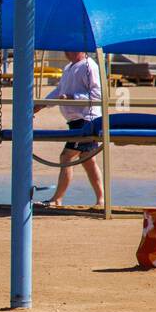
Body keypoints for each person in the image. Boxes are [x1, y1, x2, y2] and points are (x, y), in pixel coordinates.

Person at [34, 50, 104, 207]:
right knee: (88, 161)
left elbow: (97, 95)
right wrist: (41, 104)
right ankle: (101, 199)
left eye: (70, 48)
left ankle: (57, 199)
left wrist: (74, 97)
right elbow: (59, 91)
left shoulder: (89, 66)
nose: (66, 52)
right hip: (75, 120)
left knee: (66, 157)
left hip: (87, 120)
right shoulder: (68, 68)